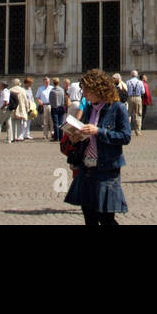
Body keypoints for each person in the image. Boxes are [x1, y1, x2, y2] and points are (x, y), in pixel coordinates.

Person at [62, 68, 132, 225]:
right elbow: (86, 136)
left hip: (106, 168)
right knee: (89, 217)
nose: (84, 94)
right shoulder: (88, 108)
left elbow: (125, 136)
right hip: (86, 168)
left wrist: (98, 131)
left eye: (87, 90)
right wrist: (76, 137)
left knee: (106, 218)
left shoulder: (117, 108)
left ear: (98, 89)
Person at [124, 69, 145, 135]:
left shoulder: (127, 82)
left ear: (131, 75)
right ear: (137, 75)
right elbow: (143, 91)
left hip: (130, 98)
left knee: (128, 114)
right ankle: (137, 131)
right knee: (138, 114)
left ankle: (127, 130)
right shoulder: (140, 82)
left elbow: (126, 91)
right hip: (138, 98)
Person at [10, 78, 29, 142]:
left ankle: (12, 137)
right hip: (20, 108)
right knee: (19, 123)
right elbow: (26, 100)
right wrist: (27, 107)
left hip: (12, 109)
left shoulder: (10, 90)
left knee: (12, 123)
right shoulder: (22, 90)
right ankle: (19, 137)